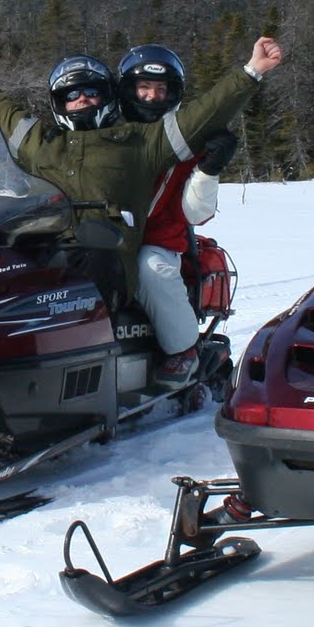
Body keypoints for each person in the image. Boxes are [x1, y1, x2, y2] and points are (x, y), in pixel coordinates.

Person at [0, 36, 283, 313]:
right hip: (57, 247)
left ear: (107, 95)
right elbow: (5, 115)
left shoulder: (137, 142)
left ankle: (183, 353)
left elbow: (204, 113)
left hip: (109, 256)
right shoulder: (44, 144)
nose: (82, 99)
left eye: (91, 92)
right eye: (71, 95)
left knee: (149, 270)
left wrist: (251, 71)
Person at [115, 44, 239, 384]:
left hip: (157, 242)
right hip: (107, 235)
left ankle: (184, 349)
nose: (152, 97)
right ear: (129, 90)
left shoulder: (185, 141)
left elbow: (195, 213)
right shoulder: (106, 133)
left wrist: (209, 168)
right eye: (144, 88)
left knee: (149, 268)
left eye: (160, 89)